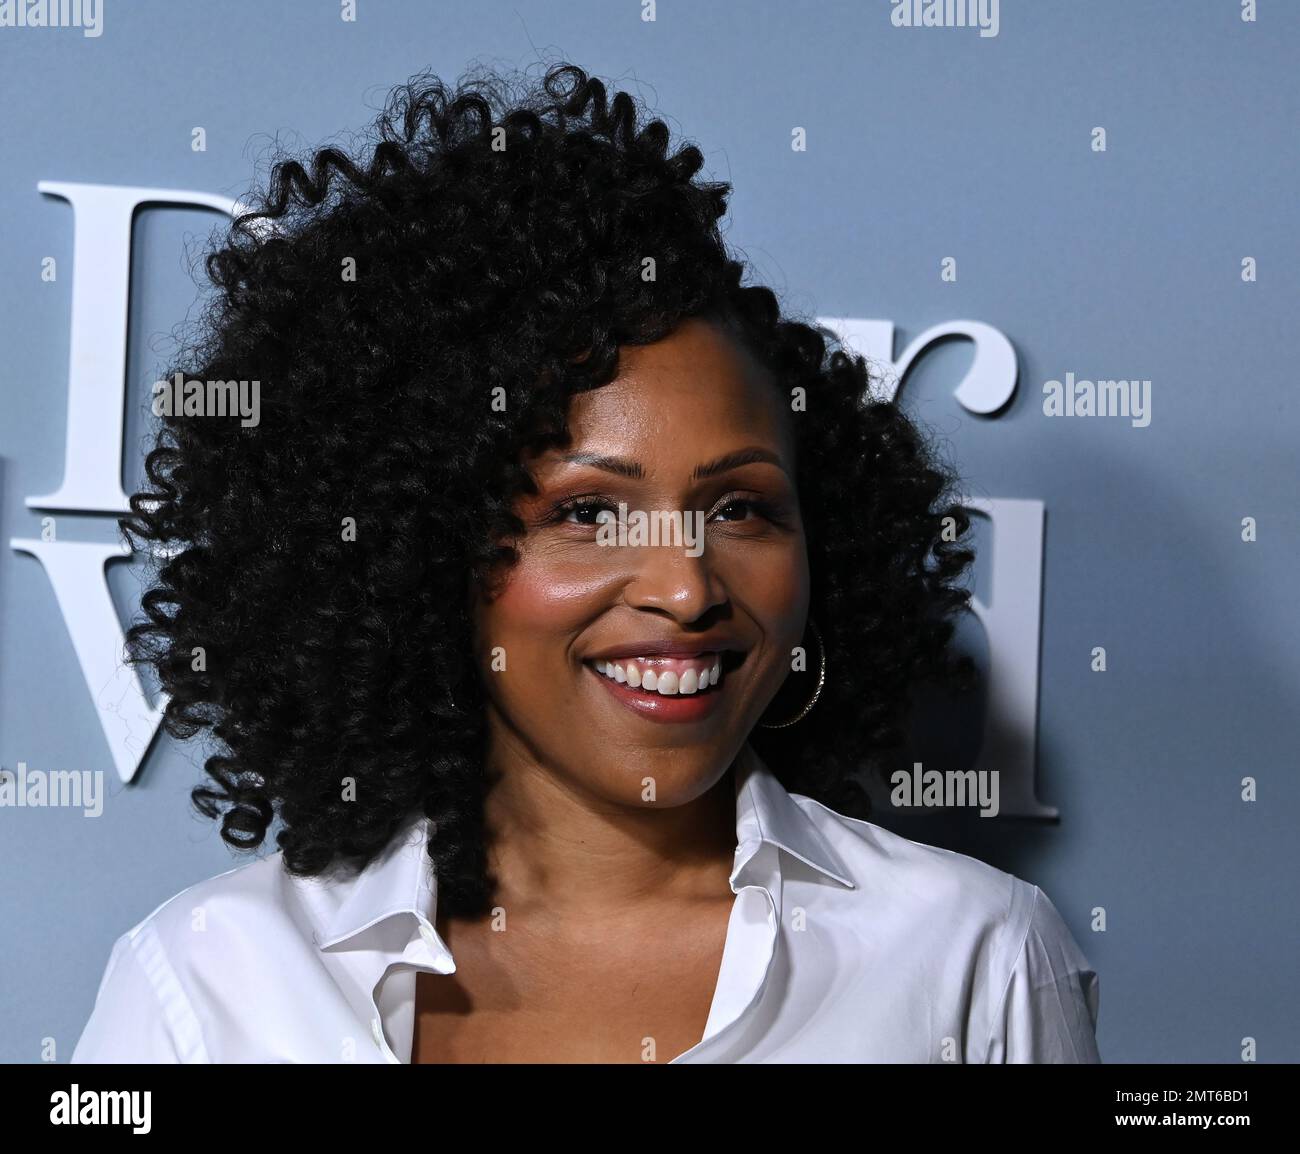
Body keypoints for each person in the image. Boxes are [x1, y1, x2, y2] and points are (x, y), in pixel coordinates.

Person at [71, 61, 1099, 1064]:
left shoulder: (973, 954)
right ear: (419, 551)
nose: (686, 586)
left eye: (739, 505)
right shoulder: (210, 983)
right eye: (589, 512)